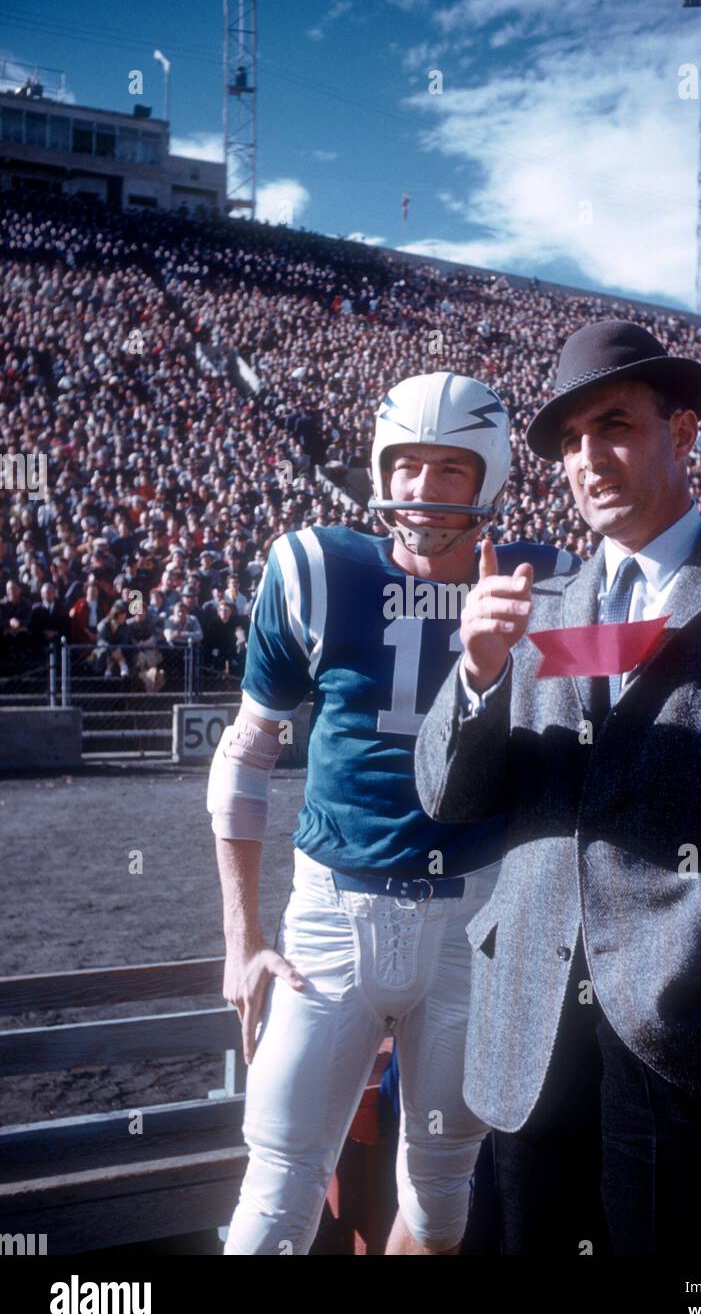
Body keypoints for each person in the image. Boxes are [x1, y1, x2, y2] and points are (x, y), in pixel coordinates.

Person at [415, 321, 701, 1256]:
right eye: (571, 442)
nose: (589, 460)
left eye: (614, 425)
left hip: (694, 1040)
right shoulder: (531, 608)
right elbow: (447, 802)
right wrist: (473, 677)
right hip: (529, 1035)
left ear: (684, 430)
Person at [207, 371, 578, 1257]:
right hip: (333, 916)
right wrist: (240, 935)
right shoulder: (316, 569)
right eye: (404, 464)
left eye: (449, 468)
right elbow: (245, 755)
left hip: (472, 922)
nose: (420, 488)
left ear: (487, 477)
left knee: (444, 1195)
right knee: (278, 1185)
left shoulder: (548, 579)